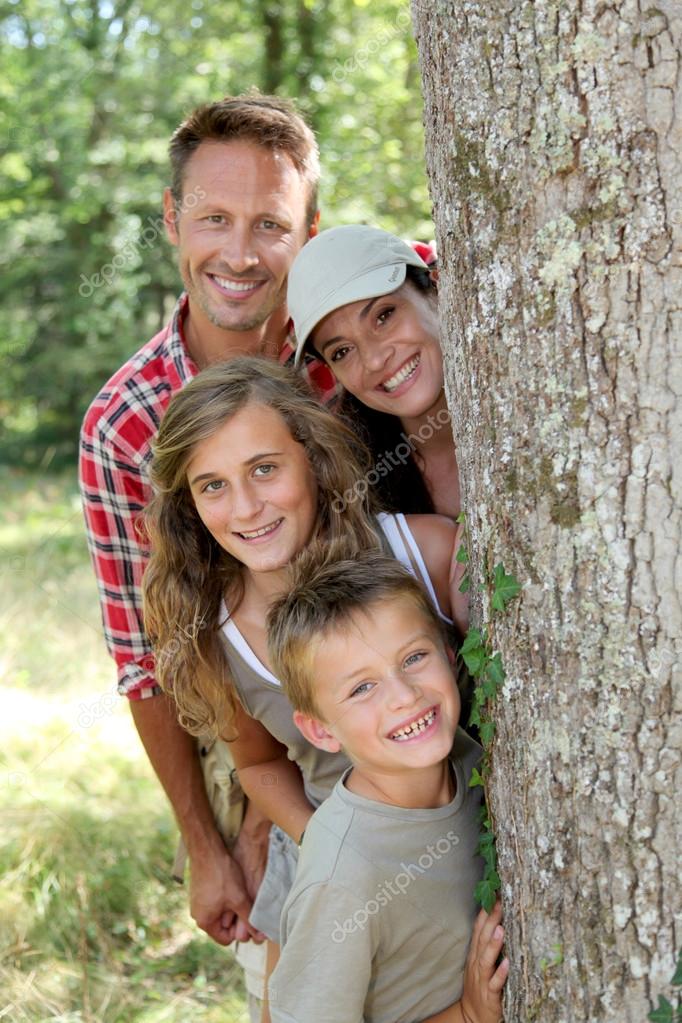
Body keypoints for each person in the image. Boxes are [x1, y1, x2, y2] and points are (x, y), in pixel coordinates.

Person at [78, 94, 331, 995]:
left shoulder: (356, 336)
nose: (239, 252)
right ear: (171, 218)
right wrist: (206, 842)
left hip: (408, 709)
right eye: (214, 218)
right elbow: (145, 658)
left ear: (311, 230)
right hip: (254, 750)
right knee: (294, 981)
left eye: (271, 223)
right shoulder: (125, 426)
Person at [141, 357, 469, 1017]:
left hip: (450, 841)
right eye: (213, 486)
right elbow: (259, 763)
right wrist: (328, 849)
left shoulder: (423, 554)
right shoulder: (220, 632)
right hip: (329, 863)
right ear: (189, 504)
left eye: (265, 468)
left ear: (313, 458)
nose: (247, 506)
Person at [266, 545, 509, 1023]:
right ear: (320, 731)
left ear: (446, 652)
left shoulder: (466, 753)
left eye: (414, 657)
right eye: (361, 688)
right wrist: (466, 1015)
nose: (405, 696)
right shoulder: (343, 878)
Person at [287, 224, 459, 518]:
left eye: (384, 315)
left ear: (436, 290)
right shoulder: (354, 492)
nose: (375, 360)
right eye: (342, 351)